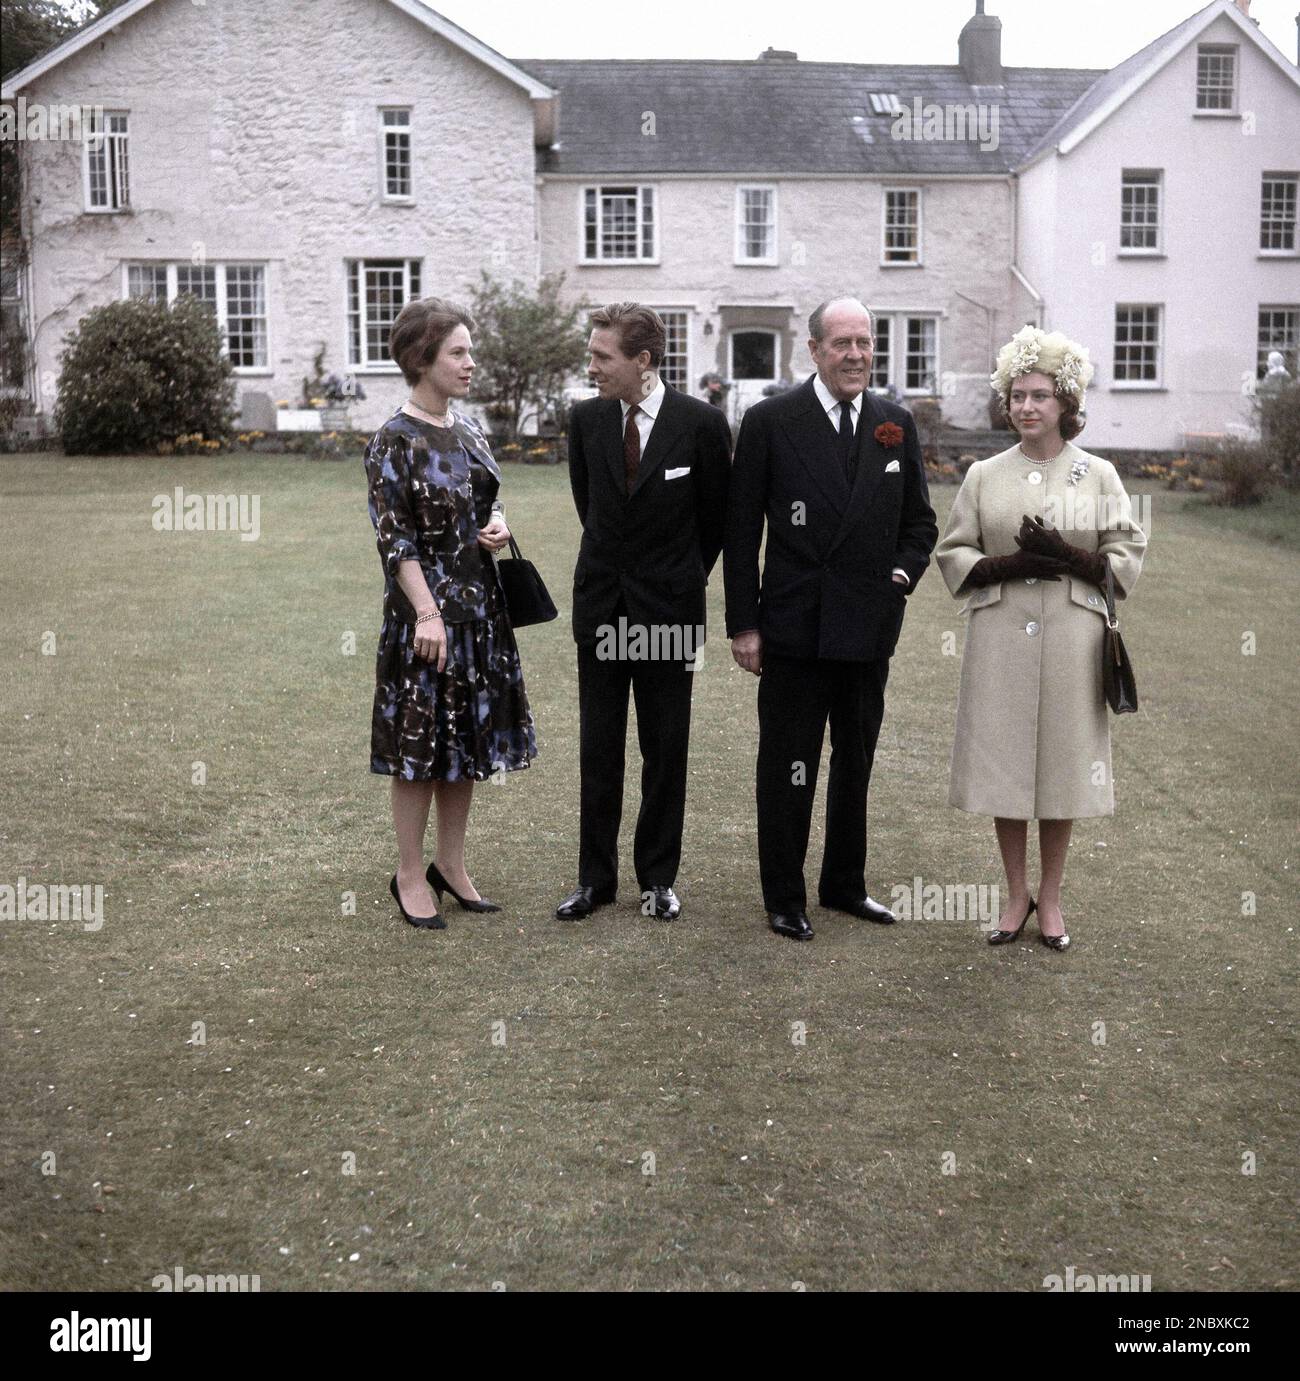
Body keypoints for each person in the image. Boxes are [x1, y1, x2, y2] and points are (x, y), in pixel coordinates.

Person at [723, 297, 938, 941]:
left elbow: (919, 522)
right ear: (812, 350)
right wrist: (744, 624)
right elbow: (741, 534)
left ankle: (845, 885)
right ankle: (784, 896)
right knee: (789, 765)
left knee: (855, 762)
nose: (855, 355)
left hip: (867, 629)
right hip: (794, 630)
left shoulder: (894, 423)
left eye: (865, 343)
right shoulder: (770, 421)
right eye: (841, 343)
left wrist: (900, 577)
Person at [935, 326, 1147, 951]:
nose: (1025, 407)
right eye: (1016, 396)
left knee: (1060, 768)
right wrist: (1004, 566)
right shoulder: (983, 474)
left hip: (1073, 638)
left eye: (1039, 396)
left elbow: (1126, 552)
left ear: (1066, 404)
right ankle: (1015, 892)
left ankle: (1050, 898)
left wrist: (1070, 556)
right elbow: (954, 549)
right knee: (1004, 765)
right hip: (1000, 633)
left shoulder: (1099, 473)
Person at [364, 297, 537, 930]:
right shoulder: (392, 440)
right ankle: (409, 874)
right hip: (425, 619)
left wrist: (497, 527)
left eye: (469, 351)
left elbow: (484, 506)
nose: (470, 363)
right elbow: (395, 538)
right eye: (458, 352)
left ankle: (452, 866)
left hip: (481, 610)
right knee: (419, 748)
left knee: (463, 744)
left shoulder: (469, 430)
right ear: (421, 359)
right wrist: (427, 614)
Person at [555, 303, 732, 922]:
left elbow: (716, 524)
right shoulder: (585, 420)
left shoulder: (702, 425)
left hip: (668, 616)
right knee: (598, 748)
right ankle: (593, 881)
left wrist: (676, 581)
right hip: (603, 609)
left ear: (643, 361)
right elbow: (592, 507)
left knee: (665, 749)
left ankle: (658, 879)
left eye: (603, 357)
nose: (593, 366)